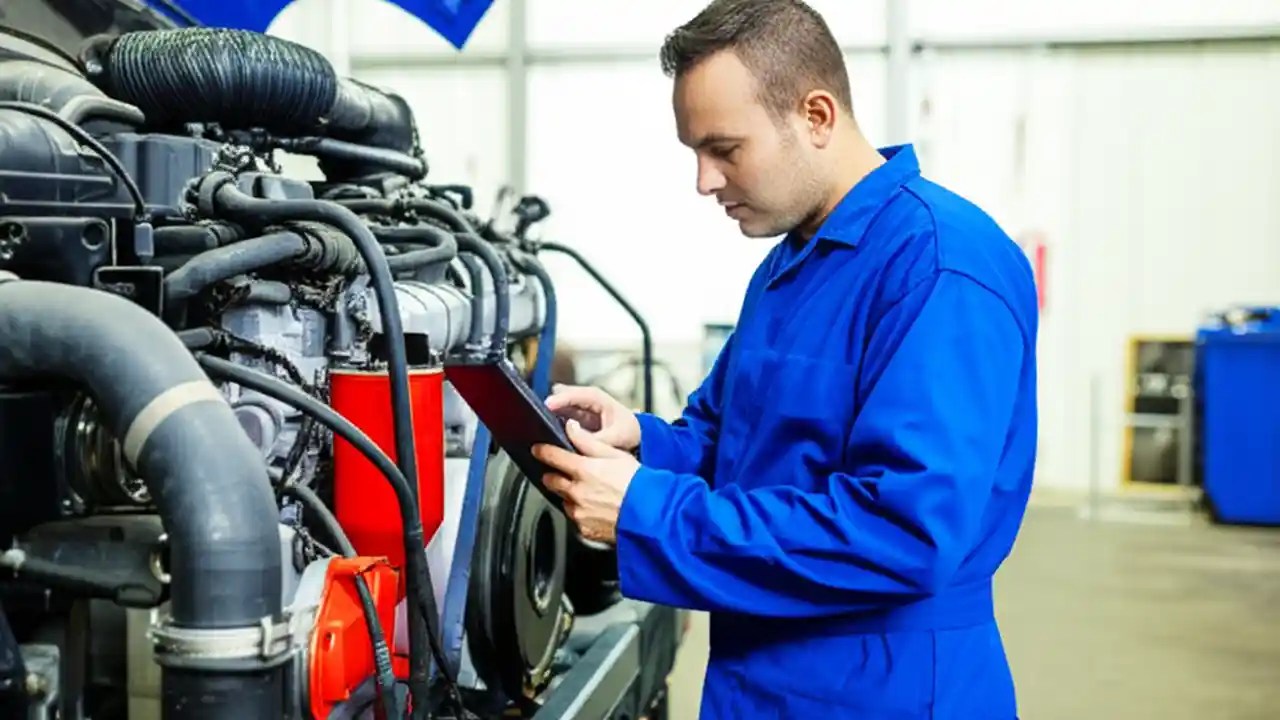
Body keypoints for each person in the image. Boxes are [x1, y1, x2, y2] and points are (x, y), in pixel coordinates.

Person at [531, 0, 1038, 717]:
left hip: (881, 686)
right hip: (763, 675)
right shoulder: (789, 266)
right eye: (695, 152)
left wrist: (647, 511)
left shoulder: (939, 266)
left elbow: (906, 531)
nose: (704, 181)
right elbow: (730, 442)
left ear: (817, 116)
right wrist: (639, 443)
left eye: (725, 149)